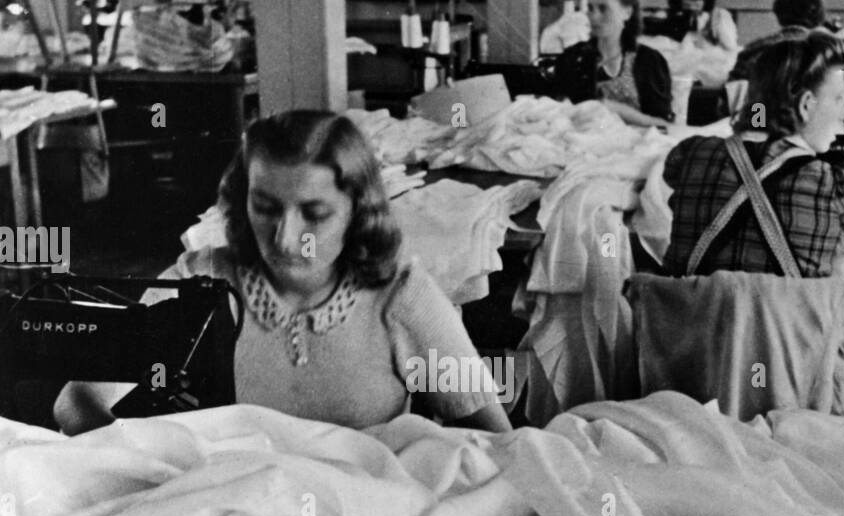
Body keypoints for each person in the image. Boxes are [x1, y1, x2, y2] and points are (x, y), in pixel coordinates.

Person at [54, 111, 512, 435]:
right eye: (265, 208)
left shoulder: (402, 297)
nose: (286, 238)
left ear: (359, 209)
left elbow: (494, 437)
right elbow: (76, 403)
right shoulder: (198, 281)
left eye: (315, 213)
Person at [663, 29, 844, 278]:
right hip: (778, 321)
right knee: (843, 262)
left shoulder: (689, 156)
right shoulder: (834, 184)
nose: (843, 116)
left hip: (692, 318)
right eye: (839, 99)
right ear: (806, 105)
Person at [552, 0, 673, 127]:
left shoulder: (649, 61)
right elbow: (559, 115)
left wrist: (618, 110)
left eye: (603, 8)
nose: (594, 16)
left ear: (627, 12)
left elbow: (664, 125)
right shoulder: (572, 58)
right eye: (590, 8)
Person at [731, 0, 844, 109]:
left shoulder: (753, 50)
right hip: (816, 130)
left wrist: (758, 128)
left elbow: (737, 101)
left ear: (780, 17)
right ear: (819, 18)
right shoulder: (832, 51)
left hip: (762, 125)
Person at [665, 0, 738, 54]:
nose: (691, 8)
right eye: (686, 5)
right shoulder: (675, 16)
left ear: (705, 0)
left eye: (696, 5)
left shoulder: (719, 16)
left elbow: (730, 48)